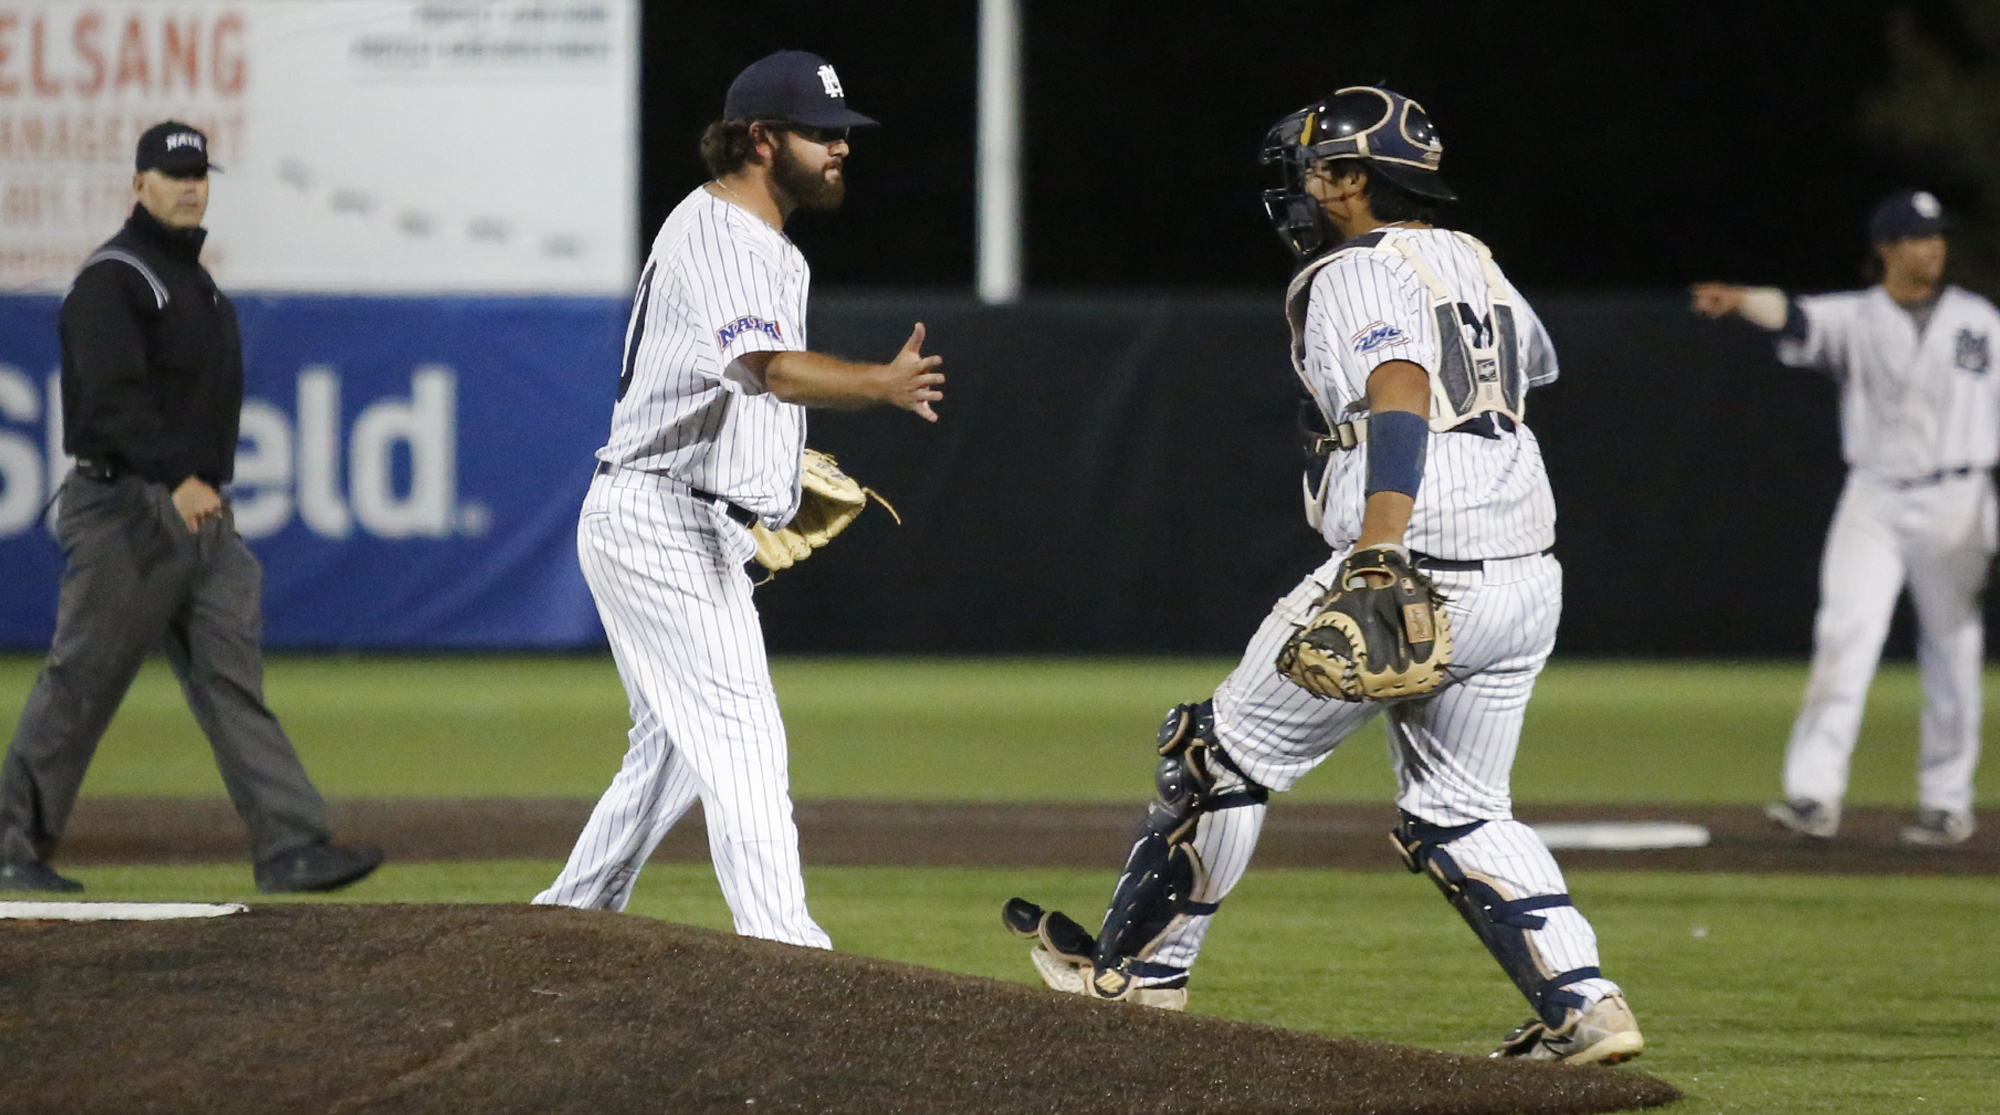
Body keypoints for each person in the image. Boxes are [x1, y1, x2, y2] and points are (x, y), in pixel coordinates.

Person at [1005, 86, 1644, 1066]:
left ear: (1353, 178)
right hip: (1523, 567)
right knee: (1462, 806)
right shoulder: (1471, 257)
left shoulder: (1349, 268)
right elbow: (1529, 371)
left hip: (1416, 553)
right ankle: (1584, 1007)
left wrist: (1380, 545)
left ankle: (1134, 976)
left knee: (1215, 755)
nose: (1299, 189)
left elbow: (1400, 384)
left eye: (1314, 169)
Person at [532, 51, 943, 946]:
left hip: (685, 513)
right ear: (760, 139)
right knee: (743, 737)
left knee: (675, 752)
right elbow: (765, 370)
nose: (840, 149)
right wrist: (878, 383)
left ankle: (563, 922)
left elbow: (730, 388)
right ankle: (788, 952)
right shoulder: (719, 232)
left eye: (841, 134)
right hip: (659, 515)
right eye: (820, 133)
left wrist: (770, 477)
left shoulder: (764, 247)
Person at [0, 122, 384, 894]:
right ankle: (11, 846)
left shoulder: (191, 281)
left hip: (199, 516)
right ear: (137, 184)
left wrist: (197, 485)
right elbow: (109, 403)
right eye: (173, 173)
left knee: (230, 682)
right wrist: (178, 476)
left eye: (198, 173)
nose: (189, 185)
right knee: (83, 683)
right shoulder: (115, 279)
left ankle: (290, 845)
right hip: (128, 511)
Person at [1692, 190, 1996, 847]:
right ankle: (1814, 794)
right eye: (1919, 236)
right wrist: (1742, 299)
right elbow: (1795, 316)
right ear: (1887, 248)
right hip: (1876, 499)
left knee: (1954, 652)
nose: (1934, 246)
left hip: (1960, 497)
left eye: (1937, 235)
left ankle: (1947, 801)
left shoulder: (1979, 319)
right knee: (1844, 637)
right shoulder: (1858, 316)